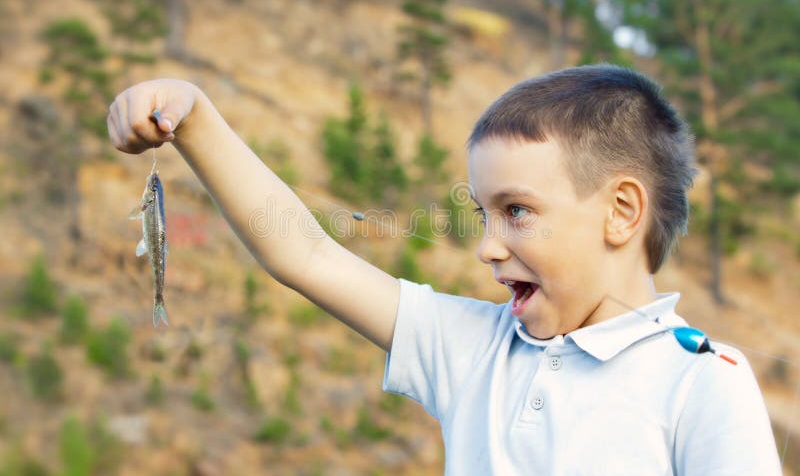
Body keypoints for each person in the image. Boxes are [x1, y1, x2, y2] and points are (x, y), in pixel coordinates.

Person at [108, 64, 781, 475]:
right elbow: (305, 255)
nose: (487, 246)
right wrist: (192, 116)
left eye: (516, 210)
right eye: (482, 213)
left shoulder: (702, 381)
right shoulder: (472, 348)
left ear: (621, 212)